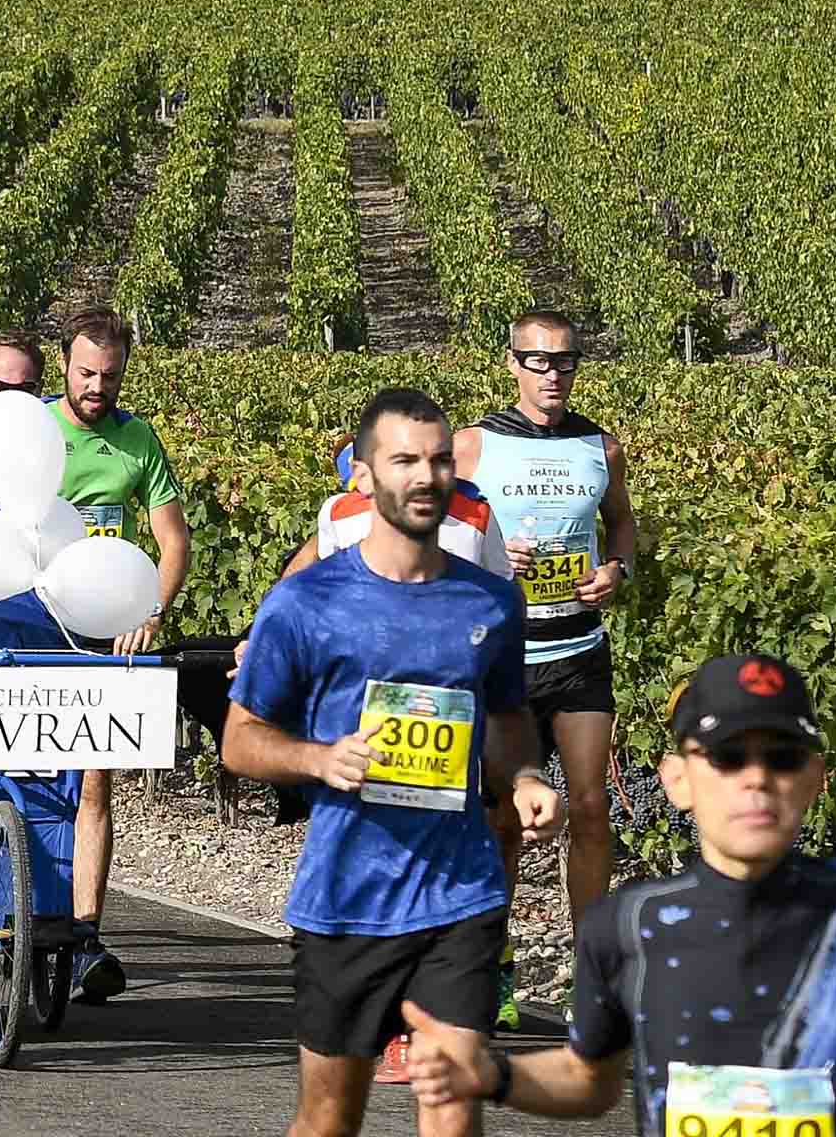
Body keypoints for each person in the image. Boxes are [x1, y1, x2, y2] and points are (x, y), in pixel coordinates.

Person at [404, 653, 836, 1137]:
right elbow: (591, 1082)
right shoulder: (628, 921)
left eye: (783, 758)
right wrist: (491, 1073)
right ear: (677, 780)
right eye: (728, 756)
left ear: (815, 780)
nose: (757, 778)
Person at [223, 388, 556, 1137]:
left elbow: (507, 717)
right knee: (329, 1119)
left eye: (439, 460)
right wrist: (319, 757)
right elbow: (240, 740)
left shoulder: (493, 603)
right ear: (365, 476)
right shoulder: (305, 604)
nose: (426, 476)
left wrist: (528, 776)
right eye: (404, 460)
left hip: (460, 893)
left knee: (450, 1104)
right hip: (347, 897)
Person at [456, 310, 641, 975]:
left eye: (564, 360)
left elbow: (622, 526)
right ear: (512, 364)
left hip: (579, 649)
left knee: (590, 808)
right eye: (538, 360)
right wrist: (493, 553)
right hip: (506, 659)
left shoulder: (601, 447)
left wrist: (616, 570)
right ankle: (495, 965)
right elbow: (436, 534)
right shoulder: (473, 445)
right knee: (506, 817)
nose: (553, 373)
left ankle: (590, 971)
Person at [44, 309, 194, 1003]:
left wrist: (151, 610)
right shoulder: (35, 431)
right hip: (32, 627)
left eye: (109, 376)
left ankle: (83, 937)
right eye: (85, 373)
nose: (97, 386)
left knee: (94, 785)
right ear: (64, 367)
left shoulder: (137, 441)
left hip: (104, 636)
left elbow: (173, 542)